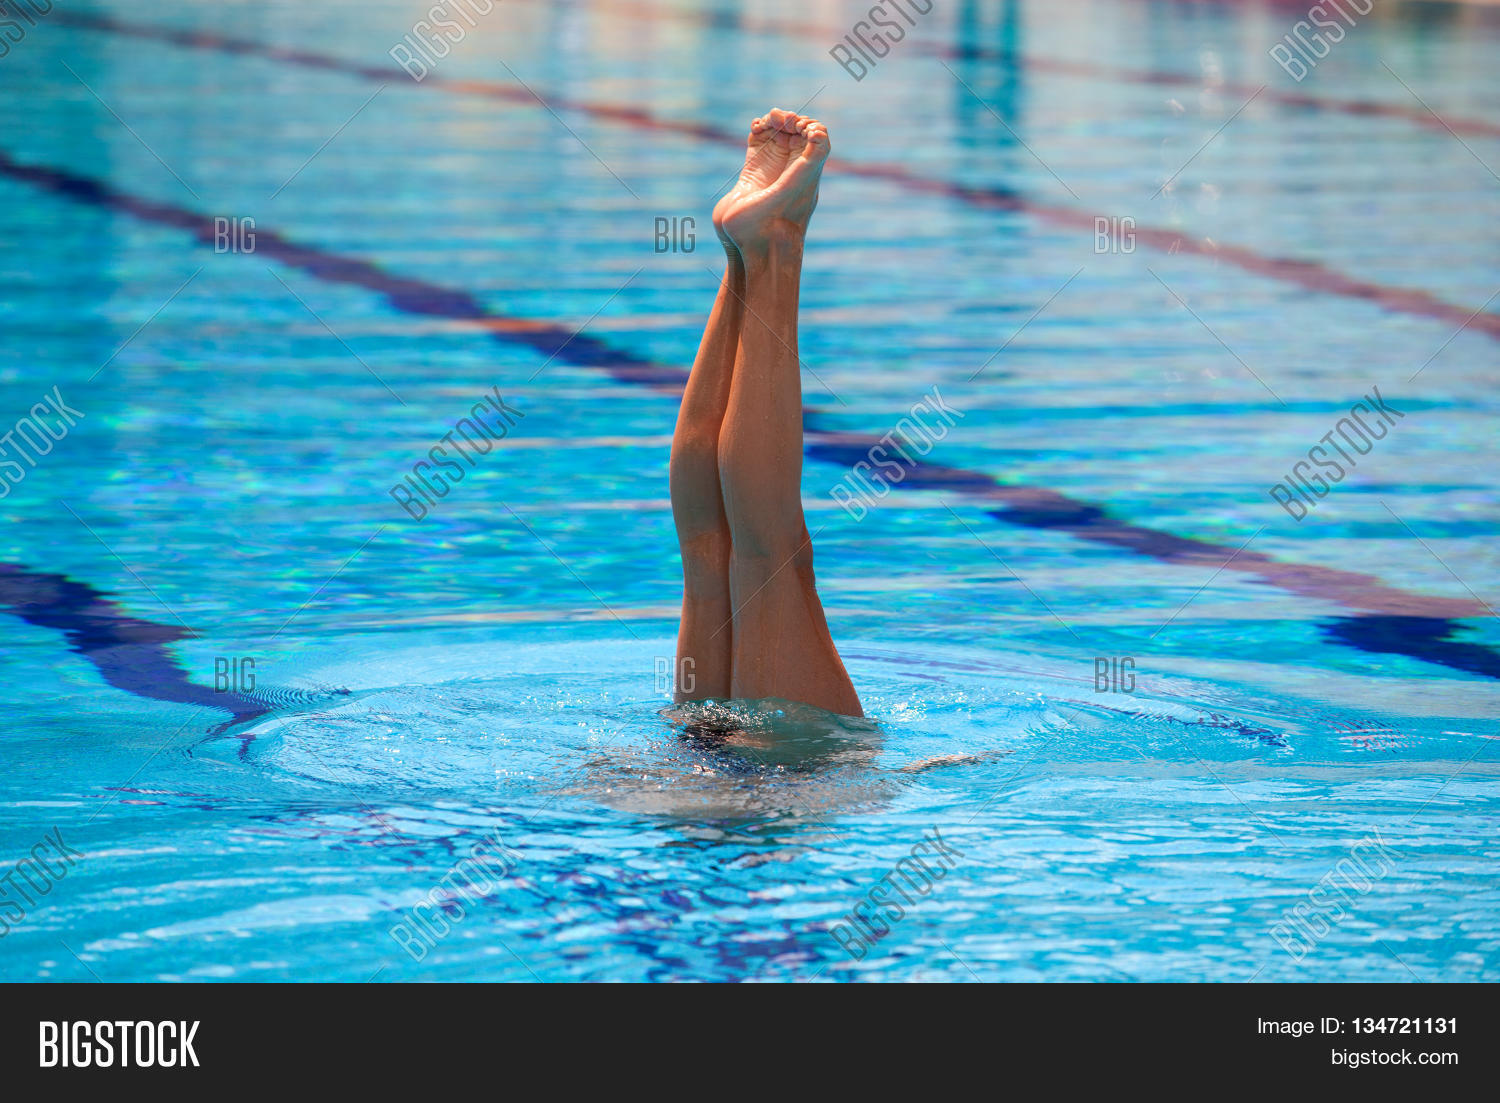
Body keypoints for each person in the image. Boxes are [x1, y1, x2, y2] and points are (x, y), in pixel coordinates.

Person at [668, 108, 862, 718]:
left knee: (756, 559)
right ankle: (750, 253)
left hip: (783, 783)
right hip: (708, 767)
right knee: (713, 555)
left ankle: (766, 252)